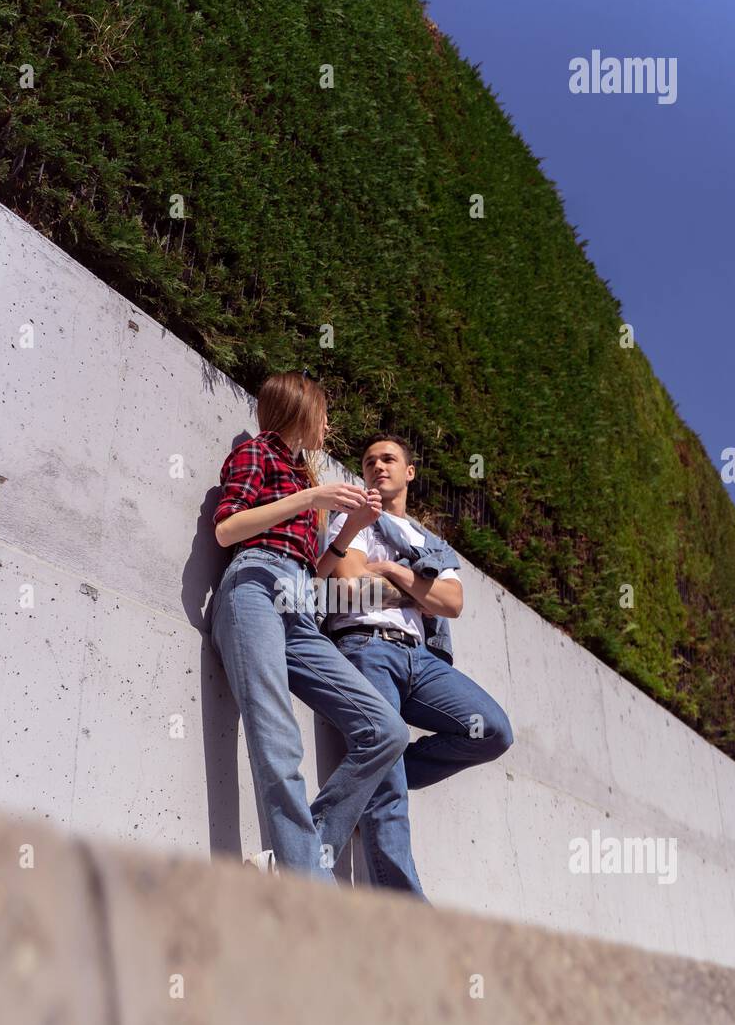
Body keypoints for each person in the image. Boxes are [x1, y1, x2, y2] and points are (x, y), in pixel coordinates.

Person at [208, 372, 409, 883]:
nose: (328, 424)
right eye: (323, 412)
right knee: (279, 741)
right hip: (253, 585)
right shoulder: (259, 454)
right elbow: (228, 527)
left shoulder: (303, 477)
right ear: (301, 410)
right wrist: (312, 501)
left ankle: (301, 858)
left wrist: (353, 528)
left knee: (386, 730)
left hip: (299, 602)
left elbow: (318, 572)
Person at [324, 433, 514, 899]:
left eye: (388, 459)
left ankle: (370, 780)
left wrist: (388, 570)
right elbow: (347, 588)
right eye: (368, 461)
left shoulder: (430, 541)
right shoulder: (348, 520)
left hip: (421, 658)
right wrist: (416, 591)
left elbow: (451, 603)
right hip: (365, 646)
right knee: (388, 794)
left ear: (409, 472)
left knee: (491, 730)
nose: (377, 466)